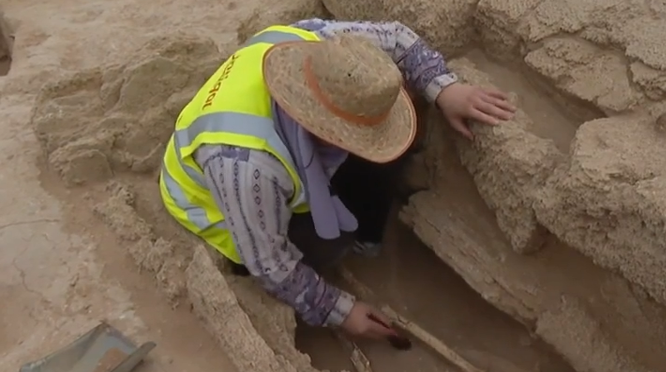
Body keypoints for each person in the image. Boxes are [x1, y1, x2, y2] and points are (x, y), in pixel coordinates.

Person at [159, 19, 516, 341]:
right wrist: (339, 311)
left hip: (260, 158)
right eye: (354, 136)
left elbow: (395, 37)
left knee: (393, 137)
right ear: (321, 127)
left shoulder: (320, 49)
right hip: (222, 210)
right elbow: (269, 264)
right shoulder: (250, 168)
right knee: (331, 242)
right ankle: (350, 241)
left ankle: (361, 232)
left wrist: (445, 90)